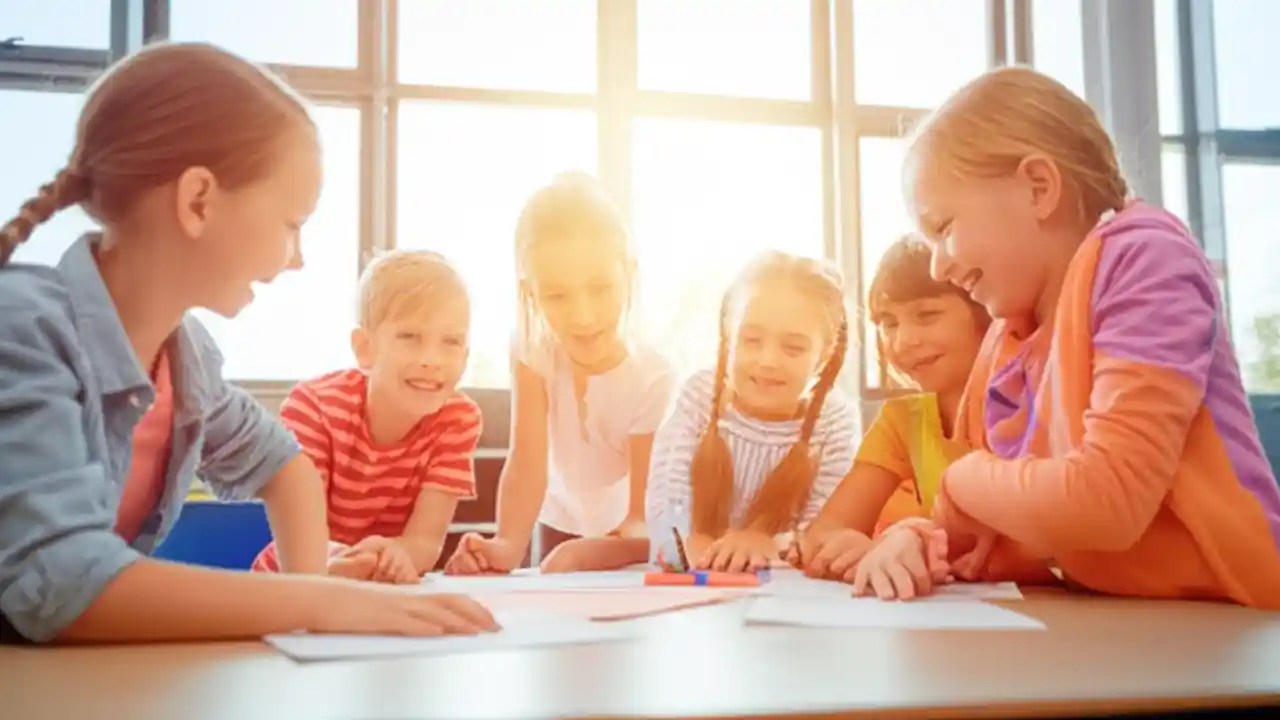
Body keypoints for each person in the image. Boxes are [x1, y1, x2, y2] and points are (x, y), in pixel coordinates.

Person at [0, 42, 496, 643]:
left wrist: (318, 601)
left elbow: (285, 466)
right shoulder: (22, 330)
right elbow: (64, 583)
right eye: (292, 224)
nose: (297, 259)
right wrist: (318, 603)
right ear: (198, 200)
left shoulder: (190, 363)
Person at [852, 66, 1280, 608]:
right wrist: (913, 539)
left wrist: (961, 480)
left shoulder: (1145, 257)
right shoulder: (1007, 338)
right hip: (1126, 627)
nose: (937, 267)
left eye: (943, 228)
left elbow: (1109, 501)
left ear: (1038, 188)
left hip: (1238, 633)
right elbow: (985, 522)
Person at [252, 250, 481, 584]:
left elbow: (425, 543)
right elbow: (301, 537)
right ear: (365, 347)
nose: (432, 359)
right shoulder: (313, 406)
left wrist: (396, 556)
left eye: (451, 341)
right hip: (293, 582)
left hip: (381, 587)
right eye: (409, 337)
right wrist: (353, 561)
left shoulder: (458, 420)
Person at [646, 250, 856, 572]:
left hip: (785, 594)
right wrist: (701, 552)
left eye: (793, 348)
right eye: (752, 339)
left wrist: (766, 546)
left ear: (825, 353)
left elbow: (824, 534)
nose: (768, 360)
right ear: (729, 337)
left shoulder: (834, 422)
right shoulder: (699, 398)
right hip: (695, 582)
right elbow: (667, 519)